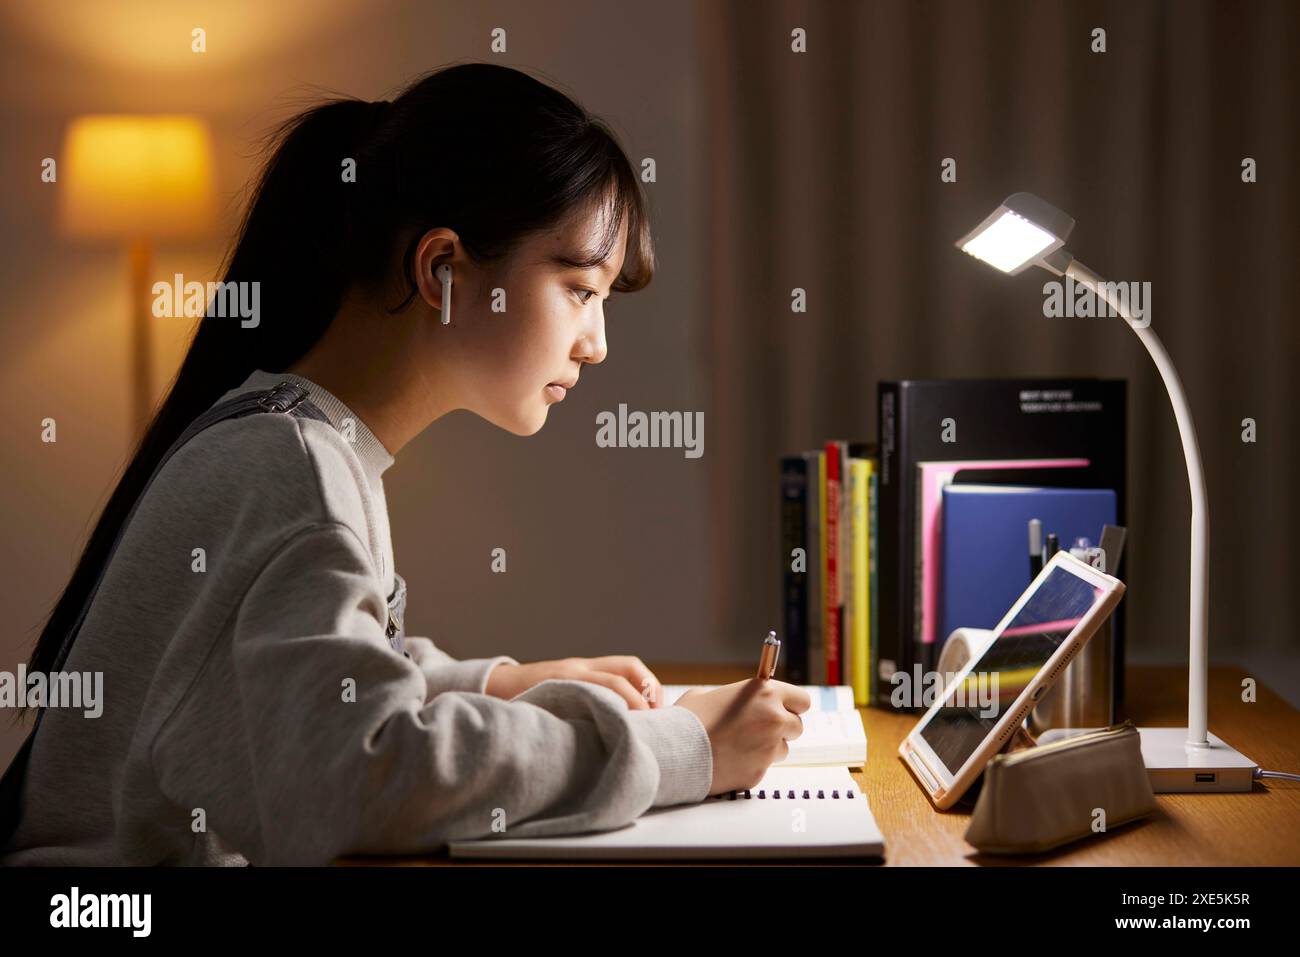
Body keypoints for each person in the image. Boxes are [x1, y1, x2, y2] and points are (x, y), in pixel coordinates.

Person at [1, 62, 809, 866]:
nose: (595, 344)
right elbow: (364, 779)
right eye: (579, 289)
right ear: (443, 270)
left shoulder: (295, 441)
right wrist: (677, 747)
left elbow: (313, 680)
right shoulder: (290, 468)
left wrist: (498, 684)